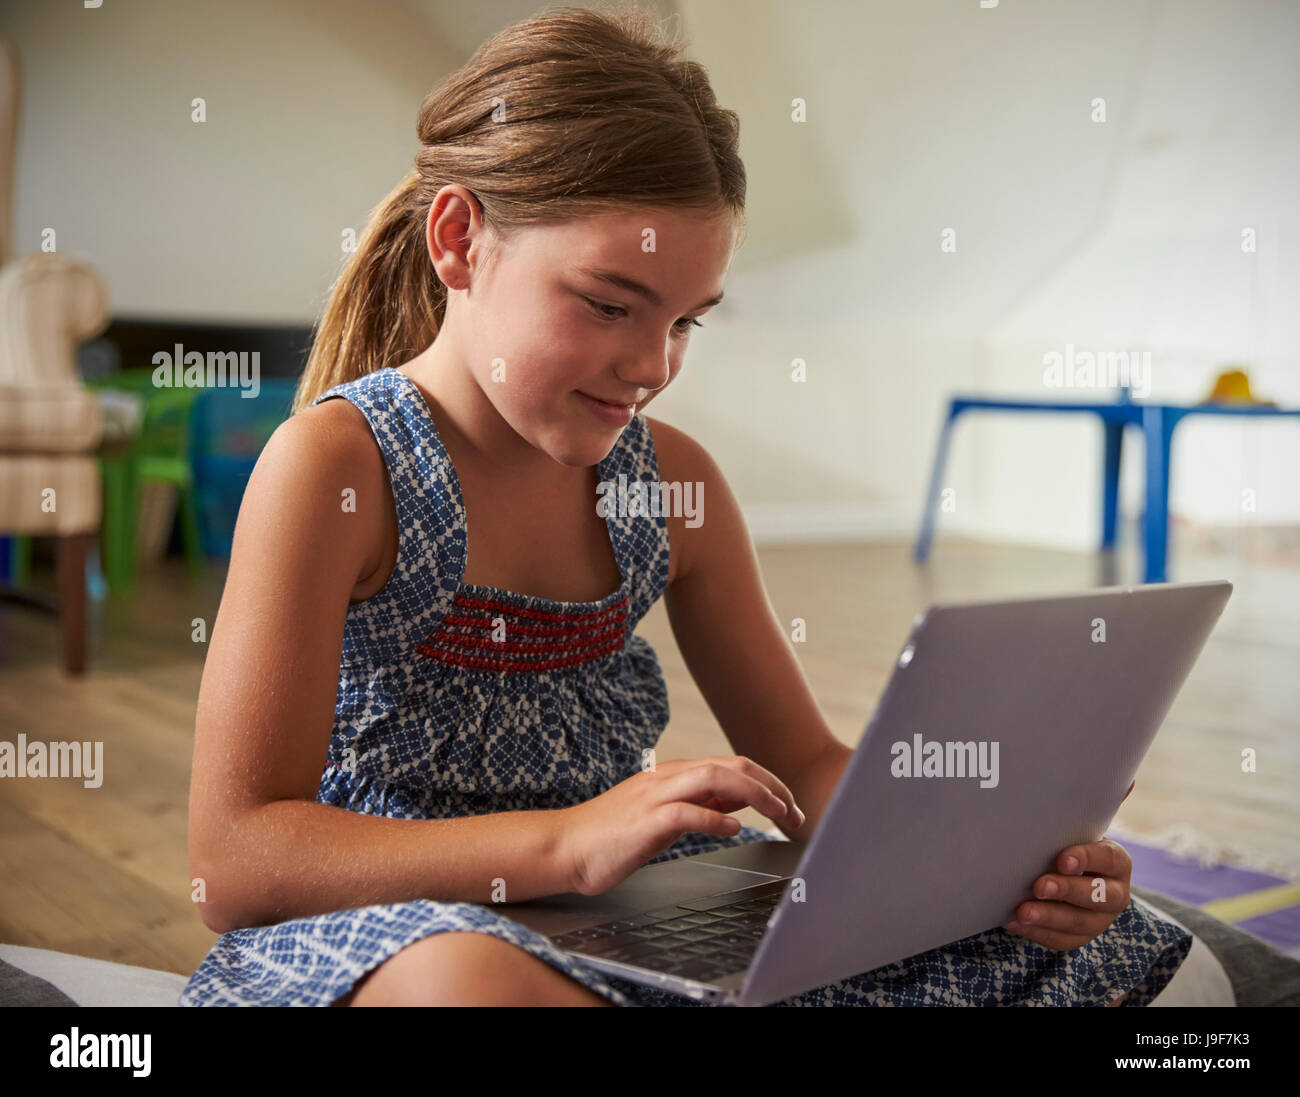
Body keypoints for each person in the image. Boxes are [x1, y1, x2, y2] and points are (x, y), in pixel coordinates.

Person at [180, 5, 1191, 1007]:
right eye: (609, 304)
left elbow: (804, 765)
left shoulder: (675, 487)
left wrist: (986, 852)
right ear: (459, 240)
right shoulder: (336, 466)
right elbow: (234, 858)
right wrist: (564, 843)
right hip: (399, 919)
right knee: (469, 983)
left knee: (1099, 940)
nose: (651, 365)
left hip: (625, 914)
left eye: (685, 322)